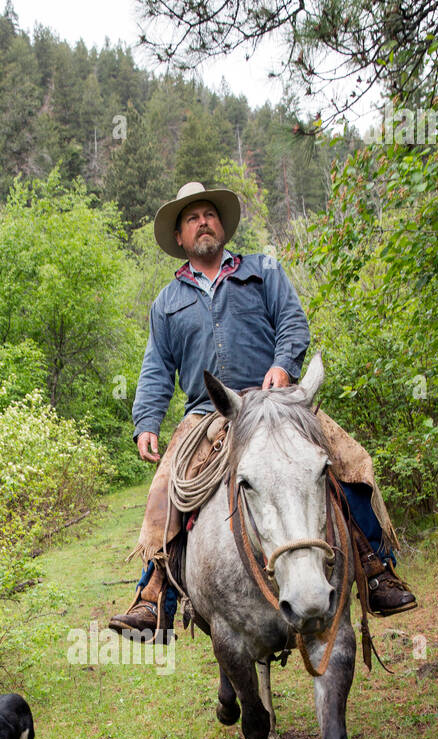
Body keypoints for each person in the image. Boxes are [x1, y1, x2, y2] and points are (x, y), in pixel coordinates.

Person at [109, 181, 417, 640]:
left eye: (209, 214)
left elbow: (293, 321)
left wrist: (283, 364)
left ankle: (375, 568)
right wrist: (146, 421)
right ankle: (156, 597)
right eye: (191, 218)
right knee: (166, 492)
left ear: (222, 224)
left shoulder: (263, 270)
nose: (203, 223)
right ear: (180, 237)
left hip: (276, 400)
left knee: (348, 461)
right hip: (208, 413)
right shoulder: (165, 303)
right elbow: (156, 366)